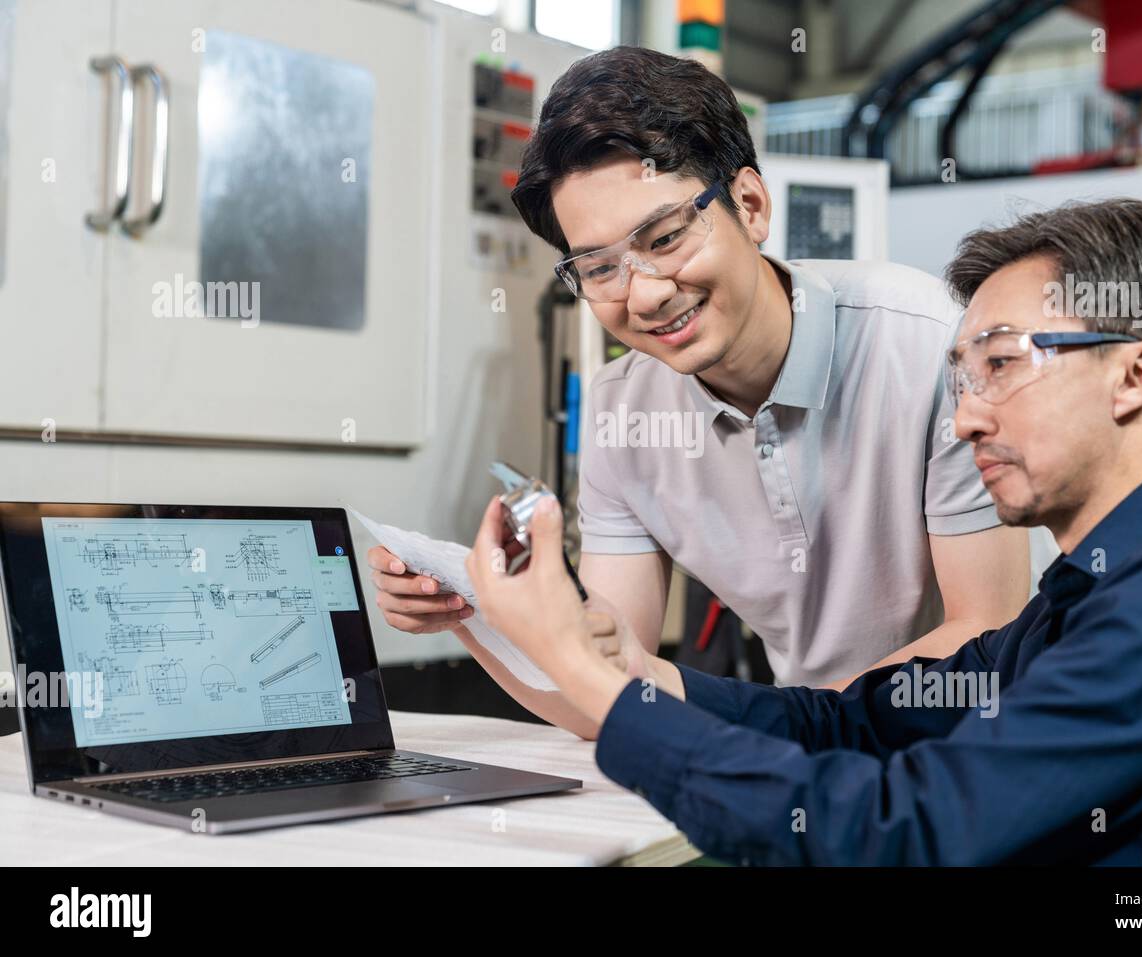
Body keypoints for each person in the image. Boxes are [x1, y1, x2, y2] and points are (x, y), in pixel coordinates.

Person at [463, 198, 1142, 865]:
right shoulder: (1082, 597)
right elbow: (853, 724)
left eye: (1002, 365)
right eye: (962, 377)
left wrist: (589, 676)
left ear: (1137, 374)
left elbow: (906, 833)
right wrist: (618, 666)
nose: (967, 415)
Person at [369, 46, 1028, 738]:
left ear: (750, 204)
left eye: (665, 236)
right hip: (808, 762)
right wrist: (478, 606)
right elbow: (606, 693)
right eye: (599, 268)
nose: (645, 293)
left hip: (984, 751)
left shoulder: (927, 344)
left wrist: (779, 722)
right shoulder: (622, 414)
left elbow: (984, 642)